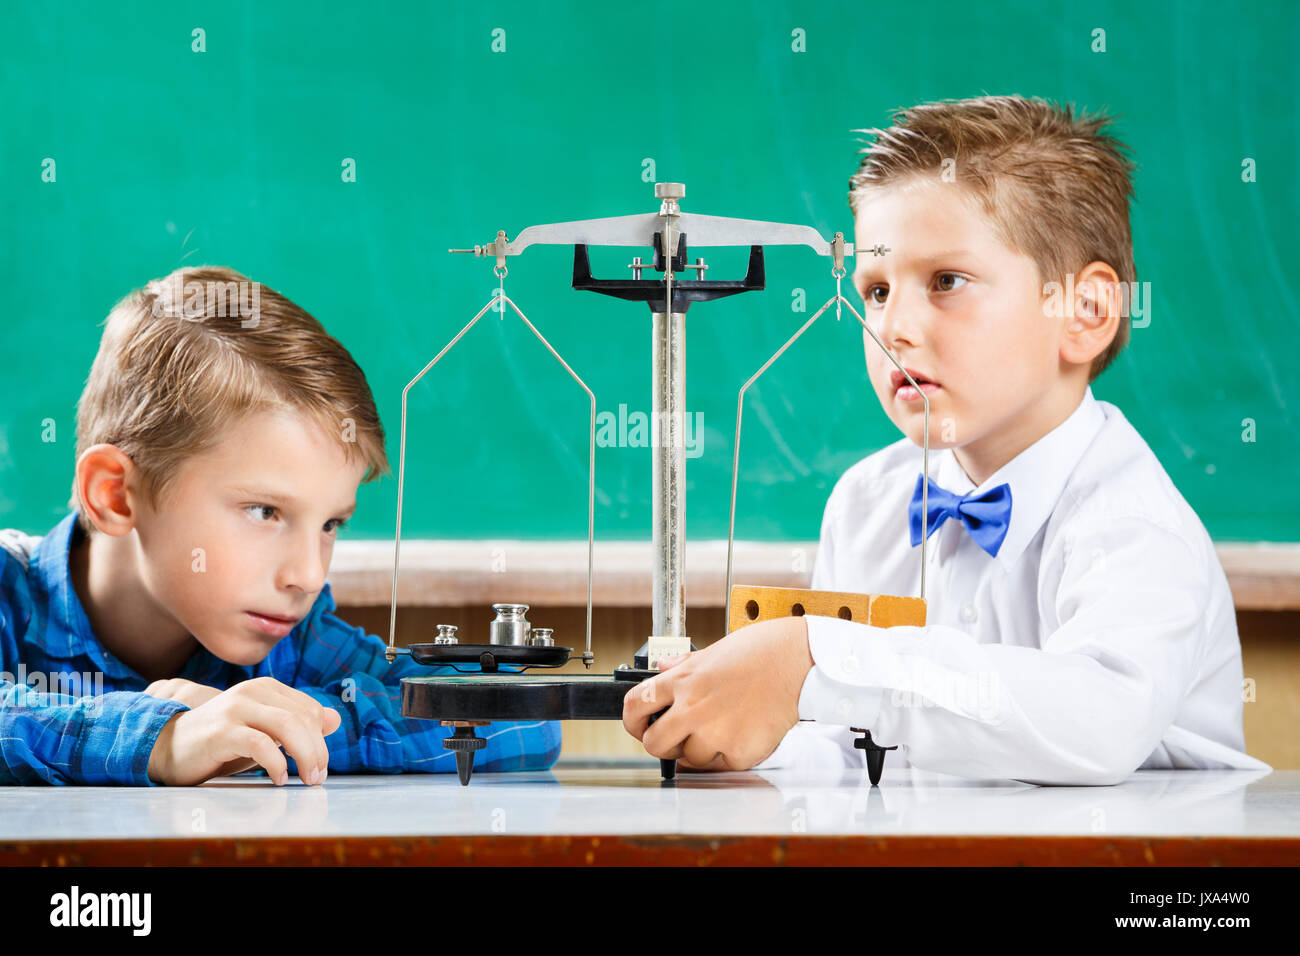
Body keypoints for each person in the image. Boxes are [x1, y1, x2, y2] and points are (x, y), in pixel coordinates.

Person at [623, 95, 1270, 785]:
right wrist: (738, 734)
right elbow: (845, 744)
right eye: (874, 290)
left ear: (1085, 311)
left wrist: (817, 659)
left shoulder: (1132, 524)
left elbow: (1102, 720)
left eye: (946, 281)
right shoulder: (868, 502)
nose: (893, 327)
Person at [0, 266, 561, 785]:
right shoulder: (10, 591)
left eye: (331, 523)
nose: (308, 575)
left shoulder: (292, 636)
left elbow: (519, 715)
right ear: (117, 495)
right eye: (265, 512)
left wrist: (275, 728)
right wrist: (162, 738)